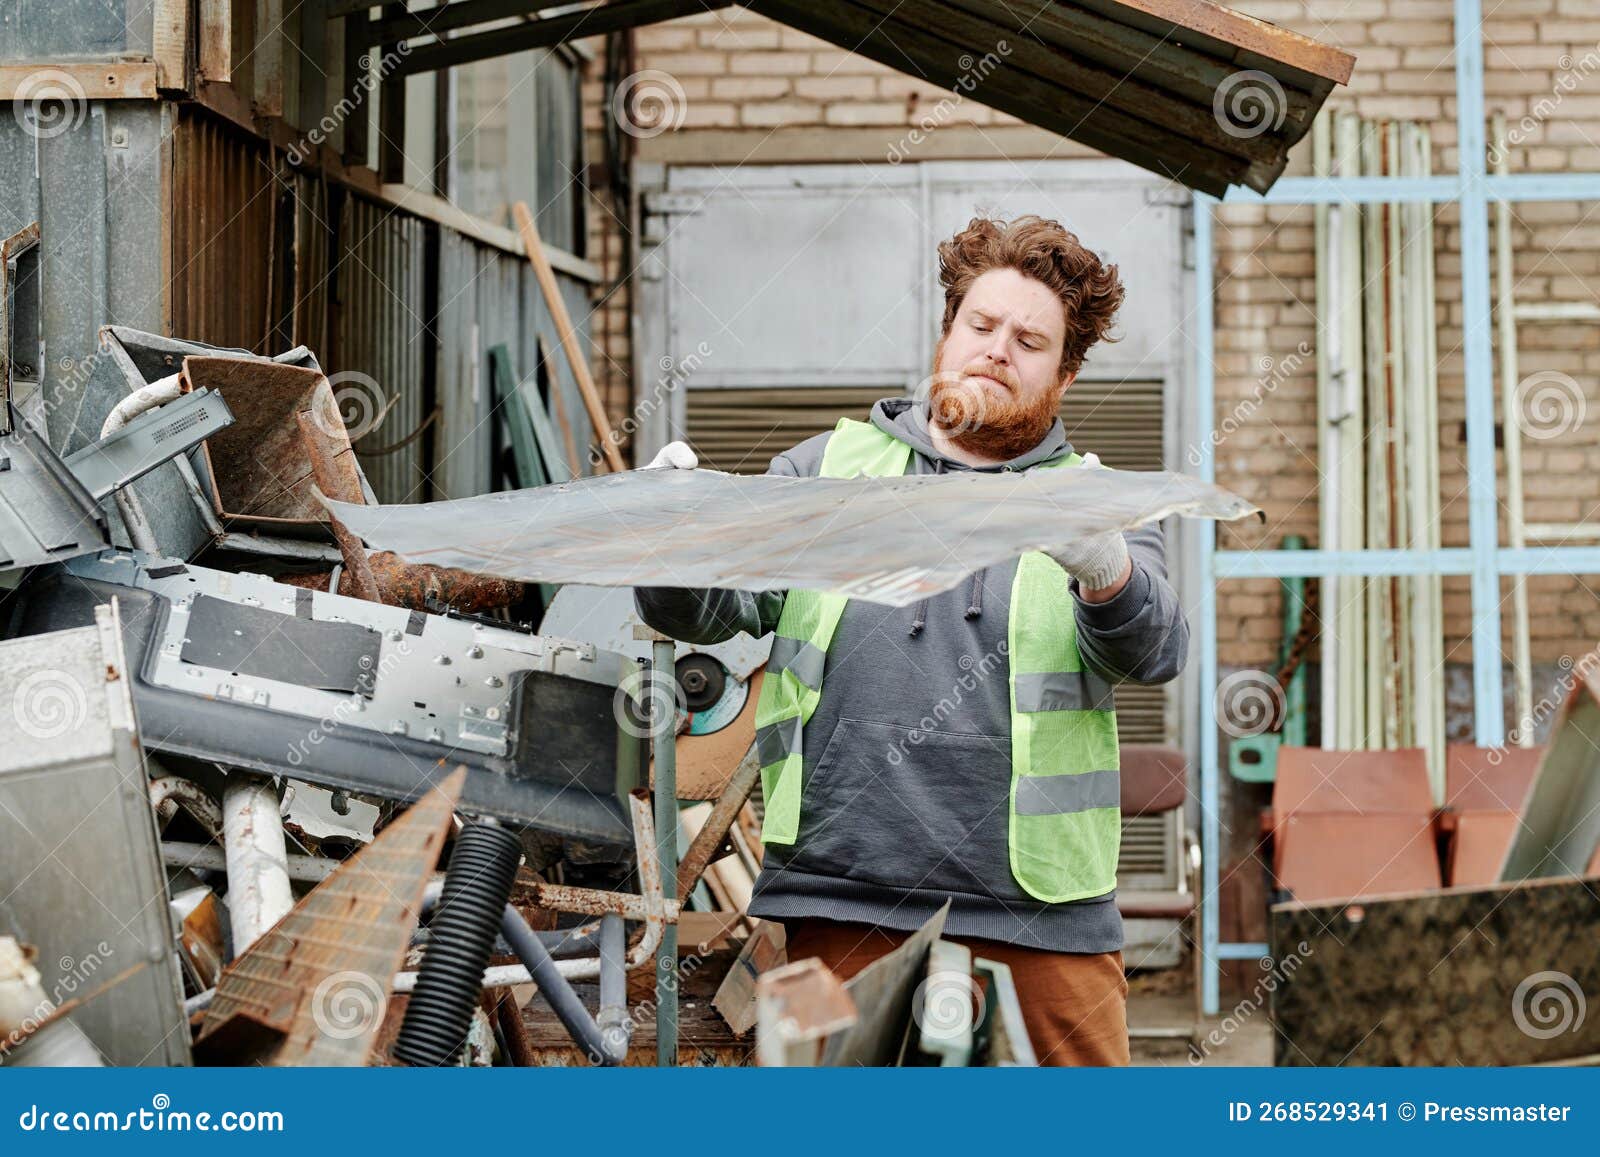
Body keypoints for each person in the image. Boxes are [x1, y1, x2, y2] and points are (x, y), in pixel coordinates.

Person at [635, 214, 1188, 1065]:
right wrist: (673, 545)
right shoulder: (824, 473)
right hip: (842, 892)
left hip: (1041, 912)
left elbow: (1155, 649)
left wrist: (1105, 568)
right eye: (981, 325)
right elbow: (711, 611)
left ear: (1065, 375)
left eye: (1029, 340)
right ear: (947, 332)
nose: (997, 350)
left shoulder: (1096, 501)